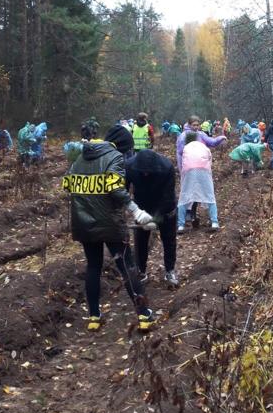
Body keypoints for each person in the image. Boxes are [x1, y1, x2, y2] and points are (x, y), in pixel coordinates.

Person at [62, 125, 156, 332]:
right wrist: (136, 210)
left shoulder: (79, 158)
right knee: (126, 266)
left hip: (83, 223)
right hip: (110, 223)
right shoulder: (114, 158)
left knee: (93, 266)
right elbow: (115, 188)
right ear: (123, 145)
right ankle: (143, 315)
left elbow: (67, 185)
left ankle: (94, 316)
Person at [126, 148, 179, 288]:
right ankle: (141, 271)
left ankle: (170, 270)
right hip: (142, 206)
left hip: (165, 207)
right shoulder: (130, 166)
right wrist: (135, 211)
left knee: (169, 239)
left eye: (148, 171)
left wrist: (156, 218)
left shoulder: (166, 167)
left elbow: (168, 196)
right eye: (142, 171)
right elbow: (122, 191)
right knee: (140, 241)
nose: (145, 173)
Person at [177, 132, 220, 233]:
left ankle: (181, 225)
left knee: (184, 196)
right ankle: (214, 222)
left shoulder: (185, 147)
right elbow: (210, 160)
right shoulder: (203, 146)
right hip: (204, 170)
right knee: (209, 195)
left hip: (188, 171)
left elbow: (183, 163)